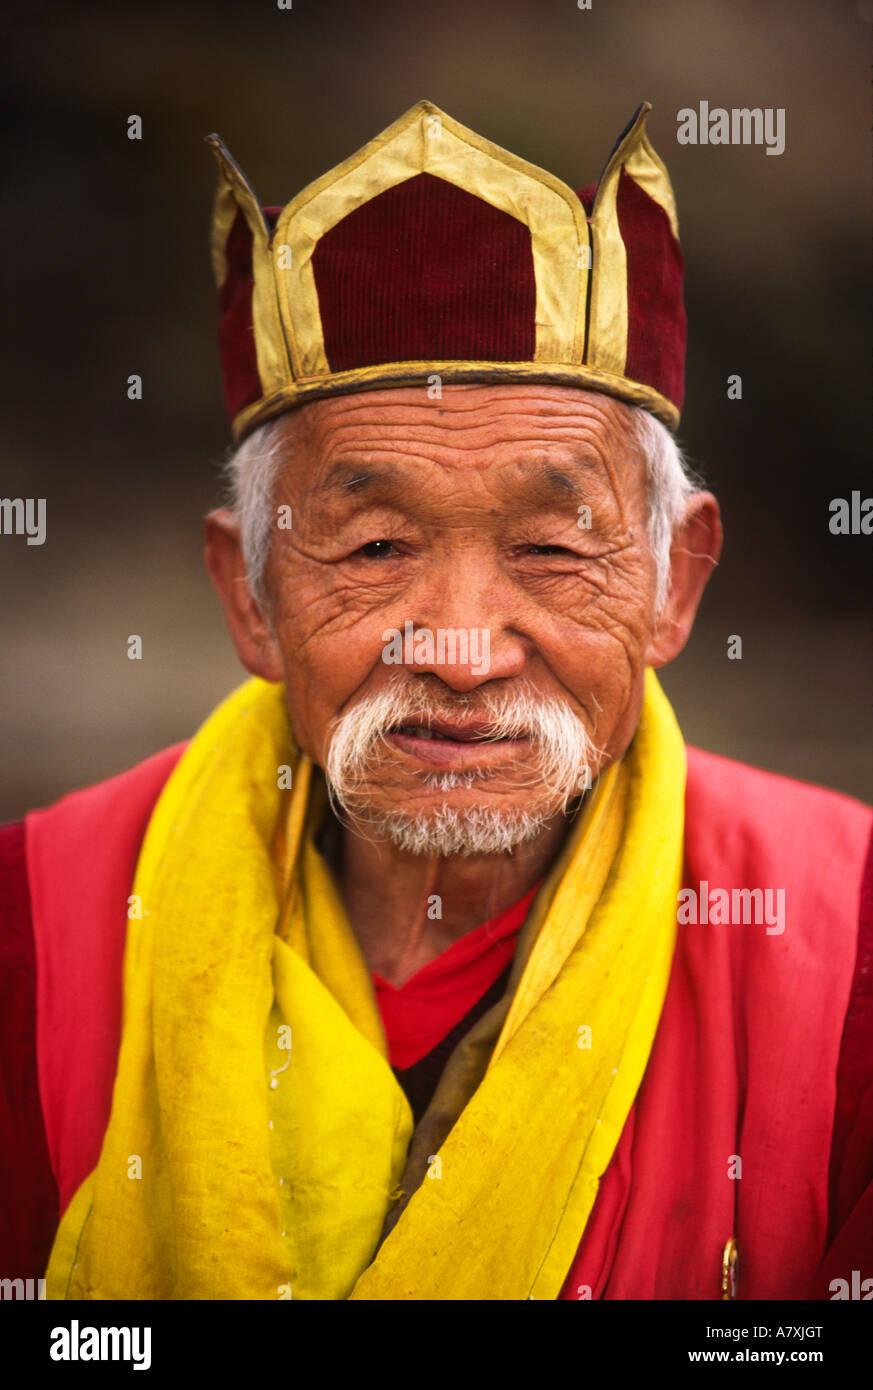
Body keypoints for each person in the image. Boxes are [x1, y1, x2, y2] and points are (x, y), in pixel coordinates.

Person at [2, 100, 870, 1301]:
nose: (460, 649)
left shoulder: (847, 945)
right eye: (371, 548)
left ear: (676, 585)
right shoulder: (34, 923)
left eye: (556, 548)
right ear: (248, 597)